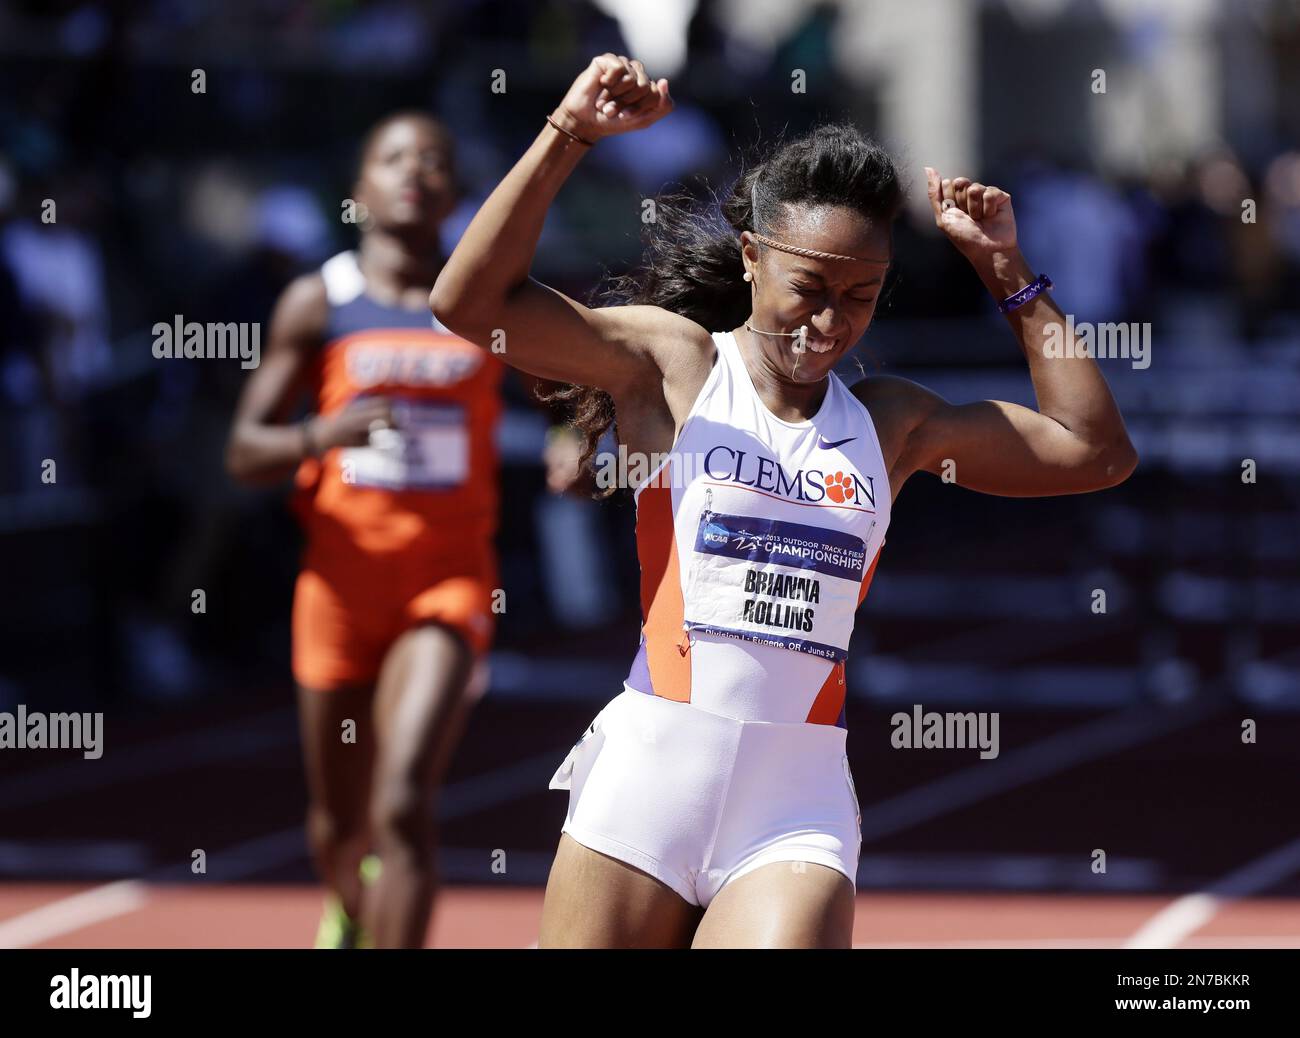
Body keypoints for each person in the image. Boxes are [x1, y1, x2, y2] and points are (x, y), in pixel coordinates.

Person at [430, 54, 1138, 948]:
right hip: (649, 779)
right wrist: (568, 134)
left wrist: (1007, 271)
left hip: (793, 806)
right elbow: (469, 303)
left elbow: (1095, 452)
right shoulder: (674, 366)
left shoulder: (891, 424)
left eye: (861, 296)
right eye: (809, 290)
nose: (830, 322)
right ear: (752, 258)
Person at [226, 111, 505, 948]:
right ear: (361, 190)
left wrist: (573, 444)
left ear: (455, 192)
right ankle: (348, 905)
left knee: (403, 800)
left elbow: (570, 396)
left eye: (434, 159)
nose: (415, 170)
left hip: (447, 584)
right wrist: (321, 435)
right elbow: (244, 450)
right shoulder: (321, 300)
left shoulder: (484, 299)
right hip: (340, 591)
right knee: (340, 825)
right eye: (394, 157)